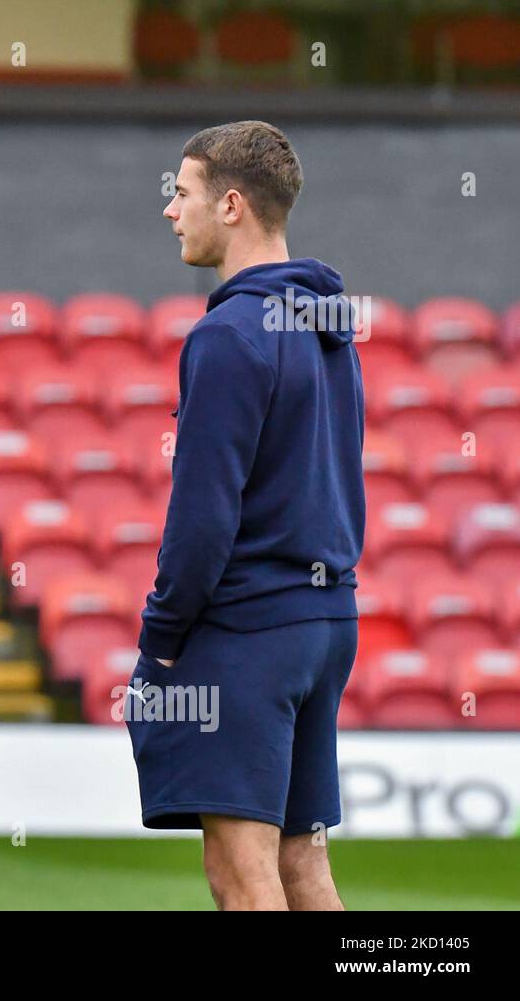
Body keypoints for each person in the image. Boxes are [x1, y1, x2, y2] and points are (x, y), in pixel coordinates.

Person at [126, 121, 364, 911]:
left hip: (247, 633)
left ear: (231, 205)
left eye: (182, 192)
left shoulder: (227, 334)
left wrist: (160, 642)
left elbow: (201, 522)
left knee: (243, 873)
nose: (170, 211)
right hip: (324, 622)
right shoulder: (326, 324)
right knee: (304, 865)